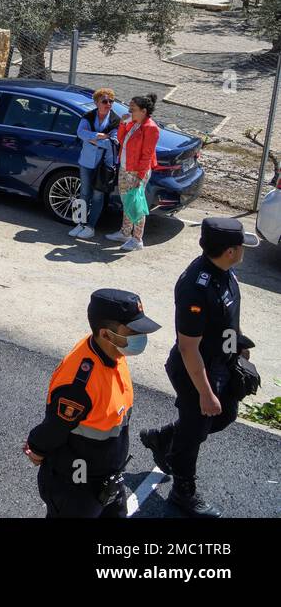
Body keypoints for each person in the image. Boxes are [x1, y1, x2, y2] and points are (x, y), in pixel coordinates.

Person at [140, 218, 259, 518]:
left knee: (224, 415)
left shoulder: (225, 271)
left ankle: (164, 438)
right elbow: (188, 348)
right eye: (241, 245)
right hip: (196, 370)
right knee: (194, 430)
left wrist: (238, 344)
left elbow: (229, 316)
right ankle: (183, 492)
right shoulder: (196, 287)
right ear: (230, 251)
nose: (244, 249)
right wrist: (205, 392)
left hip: (222, 363)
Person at [24, 289, 161, 518]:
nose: (140, 335)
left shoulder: (114, 355)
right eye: (133, 330)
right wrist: (36, 448)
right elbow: (54, 428)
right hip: (77, 489)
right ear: (106, 335)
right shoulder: (79, 385)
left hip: (108, 479)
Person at [105, 94, 159, 252]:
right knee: (127, 202)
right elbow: (121, 140)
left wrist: (140, 177)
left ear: (143, 111)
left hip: (136, 171)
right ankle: (125, 233)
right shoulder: (134, 122)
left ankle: (137, 239)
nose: (129, 111)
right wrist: (123, 122)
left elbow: (147, 155)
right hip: (125, 167)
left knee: (136, 205)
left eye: (132, 109)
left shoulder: (151, 128)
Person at [70, 87, 119, 240]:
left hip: (105, 165)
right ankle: (80, 223)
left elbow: (113, 141)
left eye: (111, 101)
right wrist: (98, 136)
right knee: (83, 193)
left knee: (98, 196)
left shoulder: (115, 120)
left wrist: (92, 140)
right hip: (86, 161)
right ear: (97, 102)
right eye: (105, 101)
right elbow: (80, 133)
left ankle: (90, 227)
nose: (108, 104)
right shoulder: (88, 116)